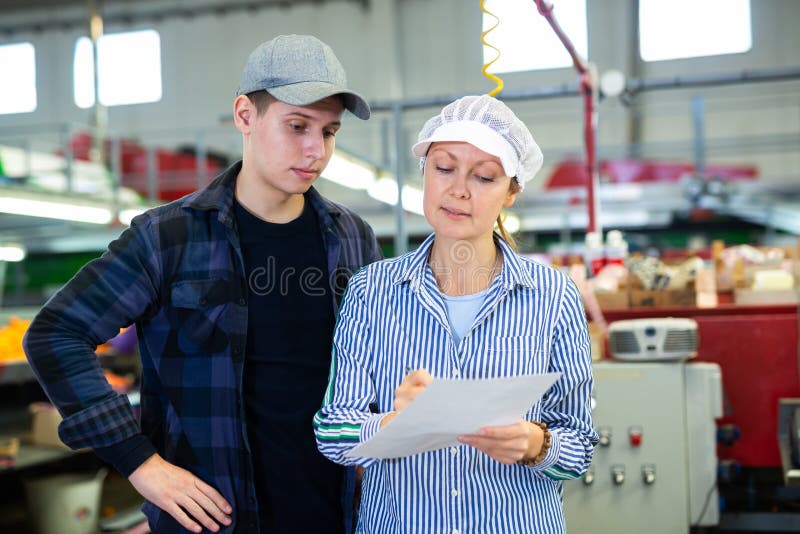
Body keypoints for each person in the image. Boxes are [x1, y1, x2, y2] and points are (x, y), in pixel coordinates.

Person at [24, 34, 381, 533]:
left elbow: (373, 361)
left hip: (337, 512)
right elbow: (56, 333)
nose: (315, 149)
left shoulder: (350, 237)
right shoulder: (167, 237)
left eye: (329, 131)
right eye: (297, 126)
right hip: (214, 519)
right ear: (244, 116)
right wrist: (141, 465)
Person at [314, 94, 597, 533]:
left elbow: (580, 446)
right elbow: (332, 432)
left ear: (511, 191)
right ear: (424, 171)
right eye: (444, 168)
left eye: (484, 176)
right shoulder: (372, 292)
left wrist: (535, 444)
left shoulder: (553, 296)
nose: (459, 190)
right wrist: (393, 424)